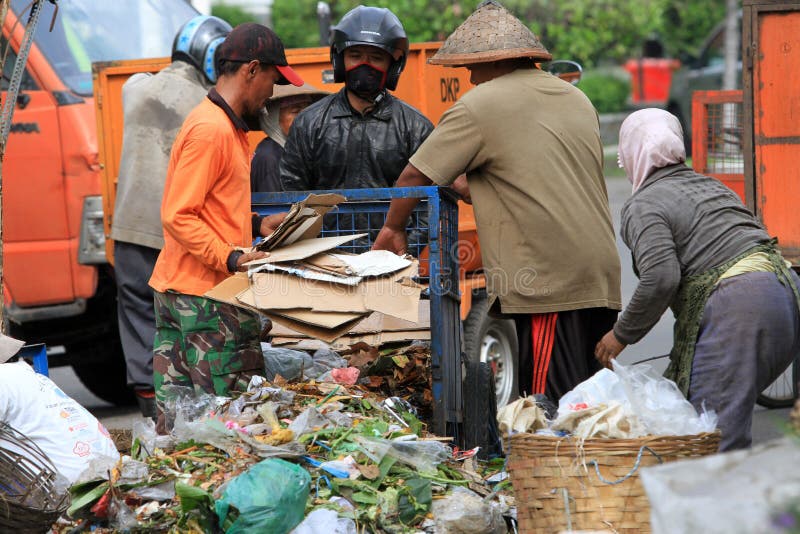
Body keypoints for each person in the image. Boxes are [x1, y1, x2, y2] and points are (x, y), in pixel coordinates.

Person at [373, 0, 622, 402]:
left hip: (550, 282)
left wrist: (393, 228)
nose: (469, 78)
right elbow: (536, 179)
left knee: (547, 411)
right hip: (599, 276)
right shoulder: (575, 98)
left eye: (472, 67)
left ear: (494, 61)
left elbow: (415, 175)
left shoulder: (480, 106)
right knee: (592, 407)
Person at [594, 108, 800, 451]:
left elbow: (661, 277)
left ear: (631, 154)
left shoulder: (643, 205)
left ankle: (721, 502)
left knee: (711, 438)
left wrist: (620, 335)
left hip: (743, 309)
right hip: (786, 295)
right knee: (701, 415)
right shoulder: (708, 185)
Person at [148, 23, 303, 431]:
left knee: (180, 427)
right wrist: (232, 257)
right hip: (207, 301)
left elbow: (206, 208)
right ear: (252, 70)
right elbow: (178, 214)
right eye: (273, 79)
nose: (273, 92)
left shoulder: (224, 127)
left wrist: (254, 222)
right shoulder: (211, 129)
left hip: (188, 293)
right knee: (230, 424)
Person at [111, 15, 232, 418]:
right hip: (177, 229)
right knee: (180, 320)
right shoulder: (205, 103)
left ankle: (150, 404)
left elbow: (139, 78)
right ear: (212, 58)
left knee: (138, 315)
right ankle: (189, 404)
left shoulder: (135, 89)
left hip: (129, 226)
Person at [280, 6, 433, 250]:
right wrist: (314, 252)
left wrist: (400, 252)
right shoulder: (310, 122)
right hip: (325, 260)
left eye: (375, 58)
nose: (365, 65)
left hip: (392, 263)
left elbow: (428, 206)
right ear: (339, 60)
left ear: (393, 65)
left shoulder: (415, 127)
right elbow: (291, 194)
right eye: (355, 56)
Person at [250, 82, 328, 192]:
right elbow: (273, 207)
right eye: (296, 112)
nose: (305, 119)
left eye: (308, 111)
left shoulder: (299, 151)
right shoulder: (269, 158)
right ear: (273, 118)